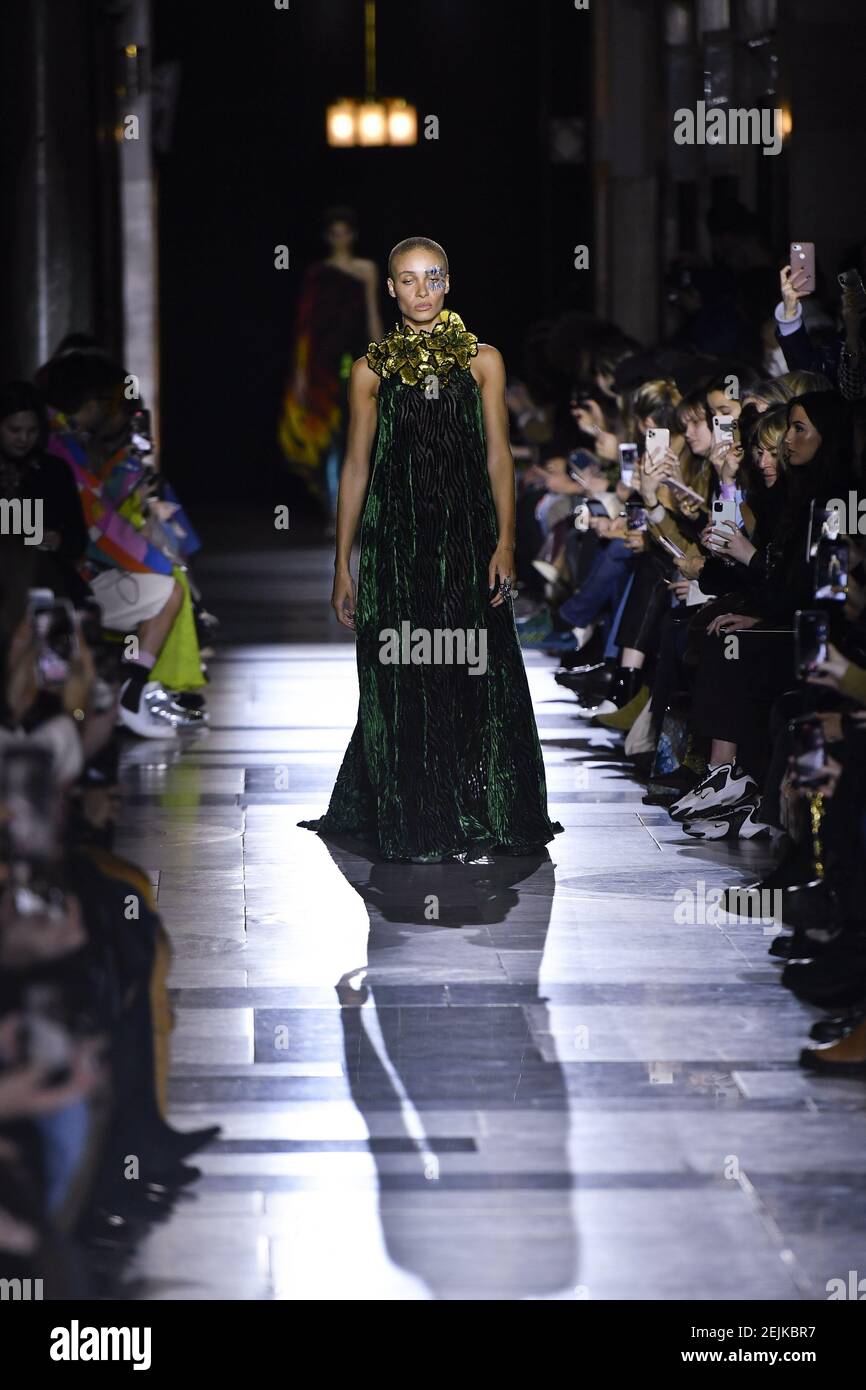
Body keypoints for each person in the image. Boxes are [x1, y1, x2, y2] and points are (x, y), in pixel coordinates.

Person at [300, 238, 562, 863]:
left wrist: (506, 541)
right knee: (401, 678)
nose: (422, 290)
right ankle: (418, 817)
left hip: (468, 543)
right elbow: (357, 467)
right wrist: (343, 564)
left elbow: (499, 456)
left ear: (449, 282)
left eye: (433, 277)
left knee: (478, 673)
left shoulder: (483, 362)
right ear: (390, 289)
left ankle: (480, 805)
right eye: (409, 280)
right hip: (395, 548)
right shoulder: (371, 370)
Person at [278, 206, 384, 526]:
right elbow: (306, 327)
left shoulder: (366, 269)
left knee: (359, 434)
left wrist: (382, 355)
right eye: (334, 233)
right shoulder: (317, 274)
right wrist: (299, 373)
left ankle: (358, 509)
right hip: (322, 366)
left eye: (345, 232)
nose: (340, 239)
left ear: (353, 235)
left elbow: (372, 312)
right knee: (330, 439)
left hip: (357, 358)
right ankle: (336, 512)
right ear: (328, 236)